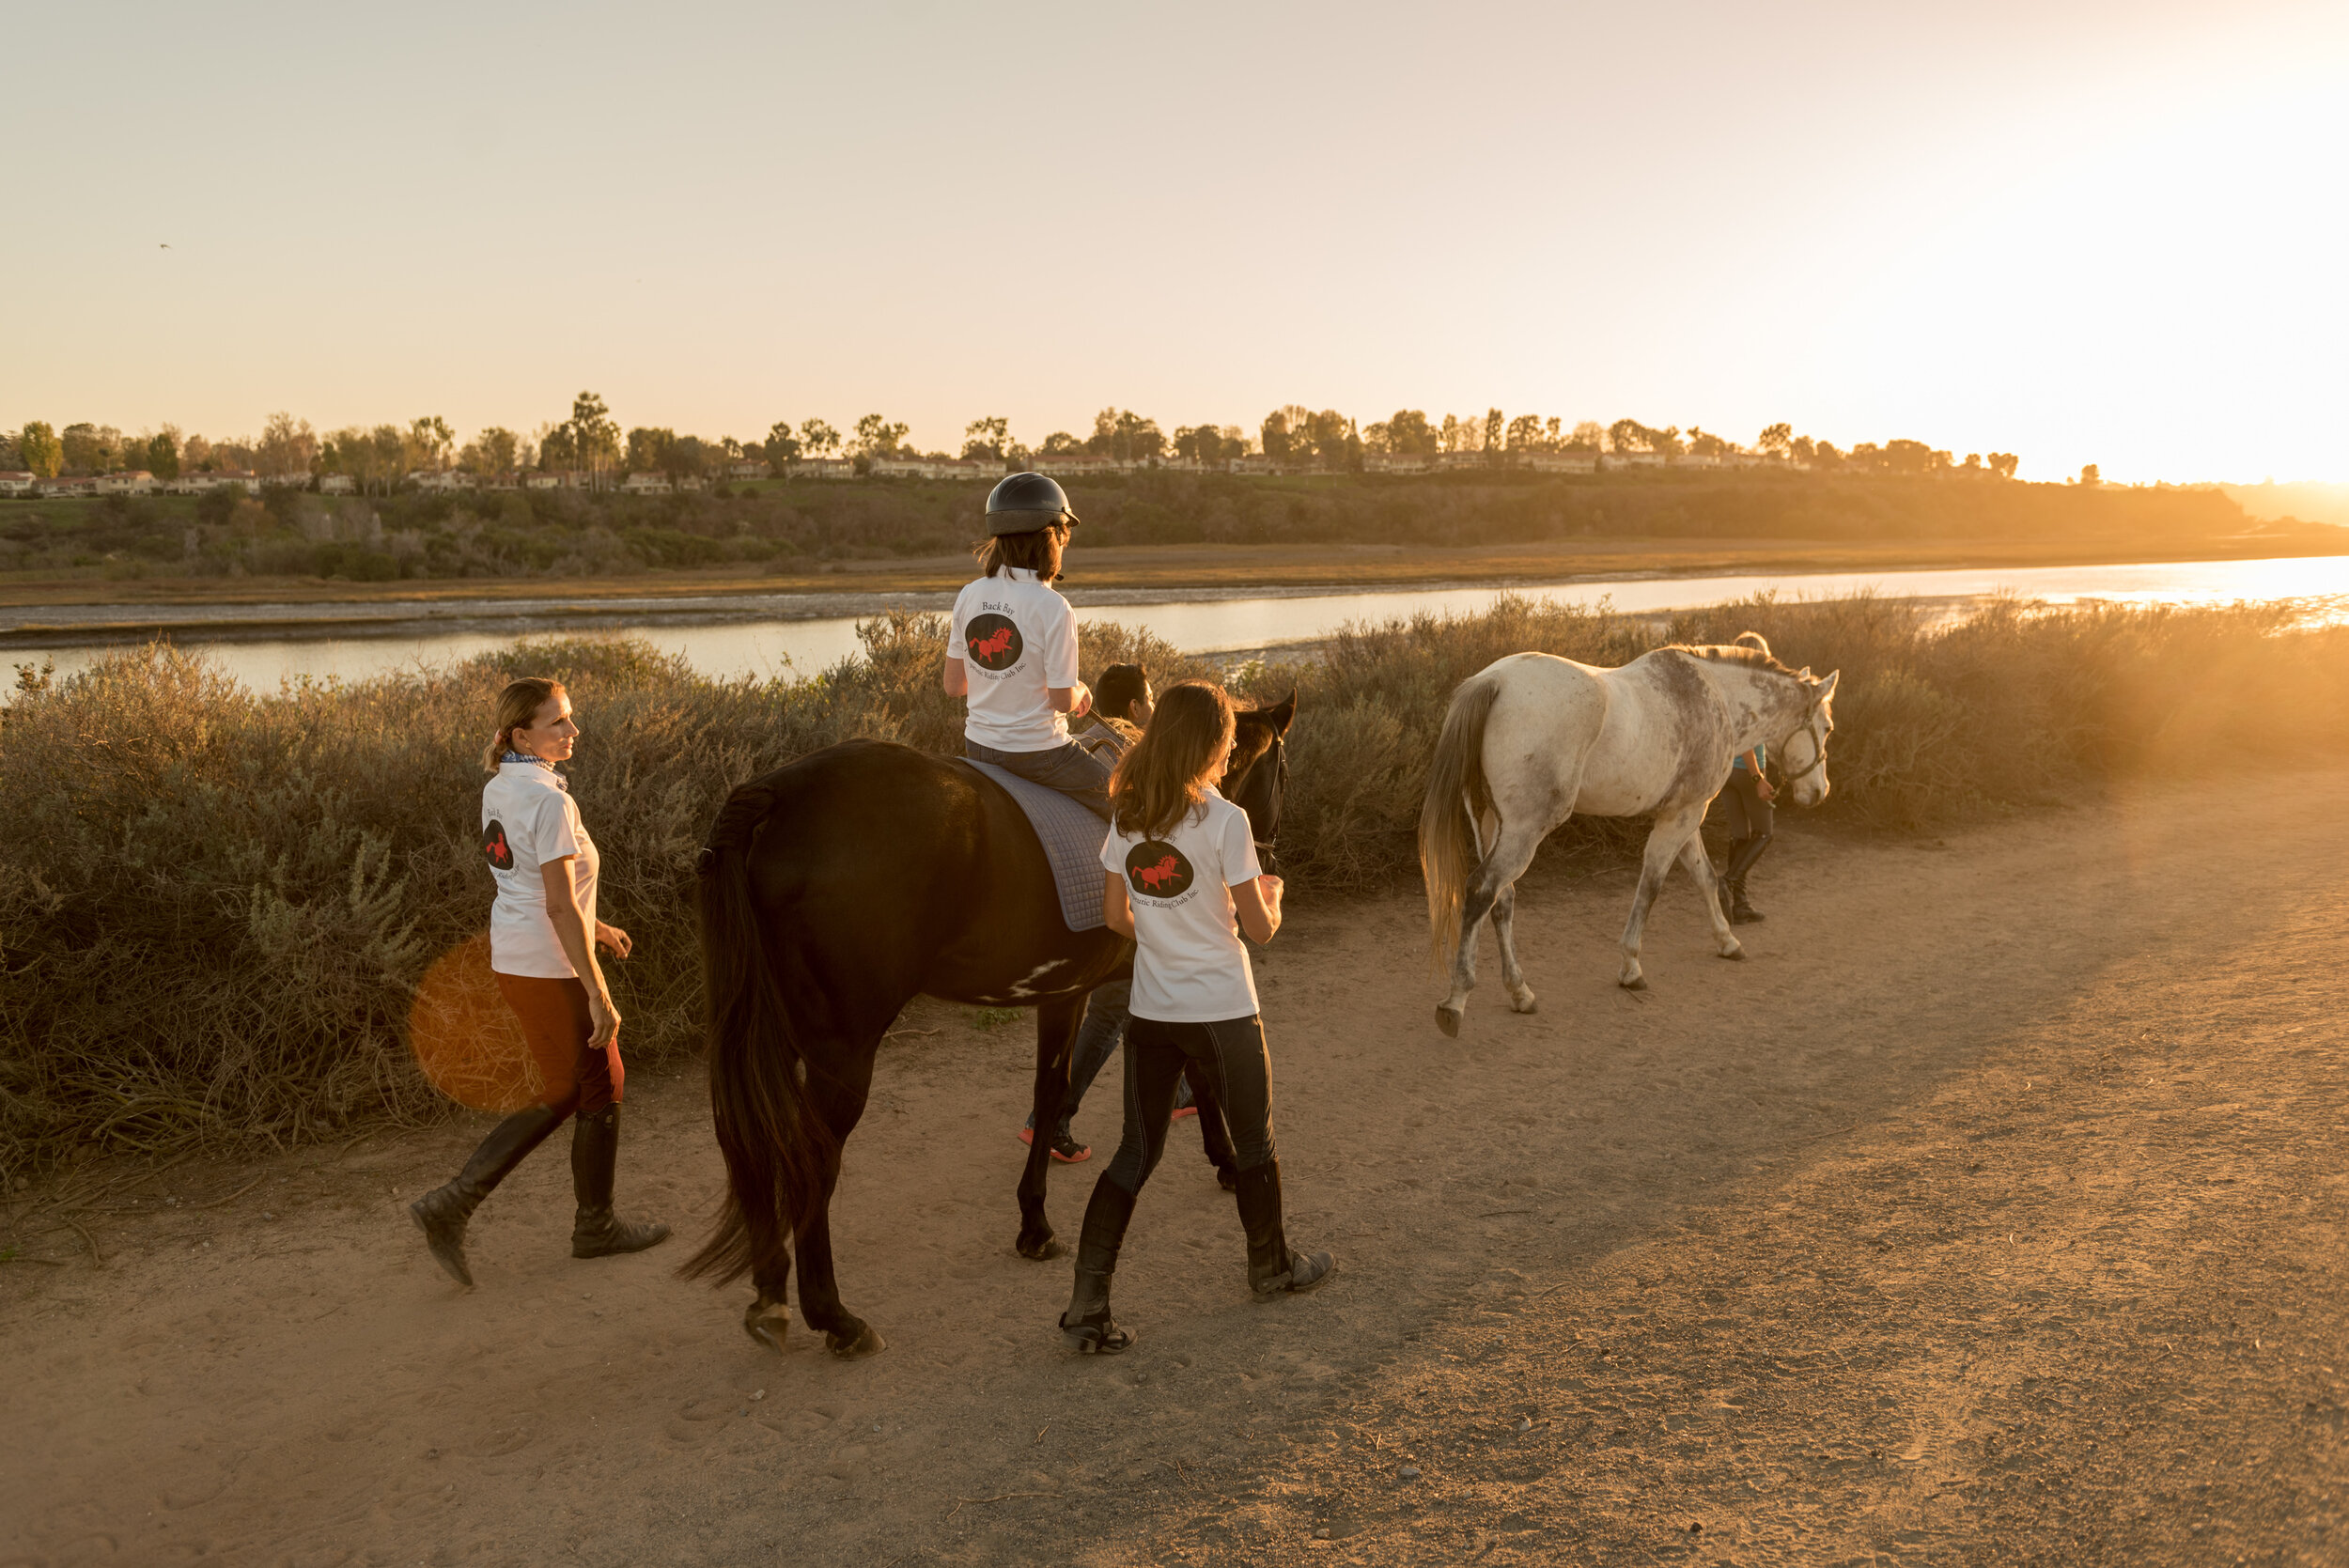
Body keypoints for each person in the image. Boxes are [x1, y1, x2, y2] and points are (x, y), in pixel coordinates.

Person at [1059, 680, 1332, 1354]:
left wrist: (1164, 931)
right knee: (1254, 1141)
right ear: (1212, 744)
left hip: (1153, 1012)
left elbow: (1116, 915)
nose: (1232, 747)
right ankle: (1269, 1266)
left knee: (1134, 1152)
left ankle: (1087, 1305)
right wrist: (1271, 896)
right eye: (1228, 740)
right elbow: (1261, 931)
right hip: (1224, 1010)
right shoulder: (1226, 821)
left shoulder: (1129, 812)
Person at [410, 677, 669, 1287]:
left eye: (571, 719)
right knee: (601, 1083)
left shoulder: (501, 786)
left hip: (516, 957)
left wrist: (597, 923)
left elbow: (530, 883)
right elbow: (556, 905)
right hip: (551, 965)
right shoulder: (552, 802)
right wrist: (598, 989)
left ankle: (458, 1204)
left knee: (565, 1087)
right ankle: (587, 1226)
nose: (572, 731)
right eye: (558, 723)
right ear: (522, 734)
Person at [1020, 665, 1237, 1181]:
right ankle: (1052, 1116)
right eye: (1149, 699)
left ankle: (1185, 1096)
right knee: (1122, 1003)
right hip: (1119, 918)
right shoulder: (1129, 756)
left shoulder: (1081, 745)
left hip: (1111, 911)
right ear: (1139, 709)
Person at [943, 473, 1110, 820]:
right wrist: (1081, 690)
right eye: (1064, 537)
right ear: (1052, 537)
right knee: (1129, 806)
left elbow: (954, 686)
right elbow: (1062, 701)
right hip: (1040, 754)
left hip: (979, 748)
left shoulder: (969, 594)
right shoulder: (1053, 606)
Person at [1714, 630, 1777, 924]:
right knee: (1764, 833)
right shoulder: (1751, 692)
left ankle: (1739, 905)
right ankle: (1728, 882)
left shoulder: (1726, 688)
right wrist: (1758, 779)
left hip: (1727, 772)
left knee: (1740, 836)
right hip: (1745, 773)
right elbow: (1748, 741)